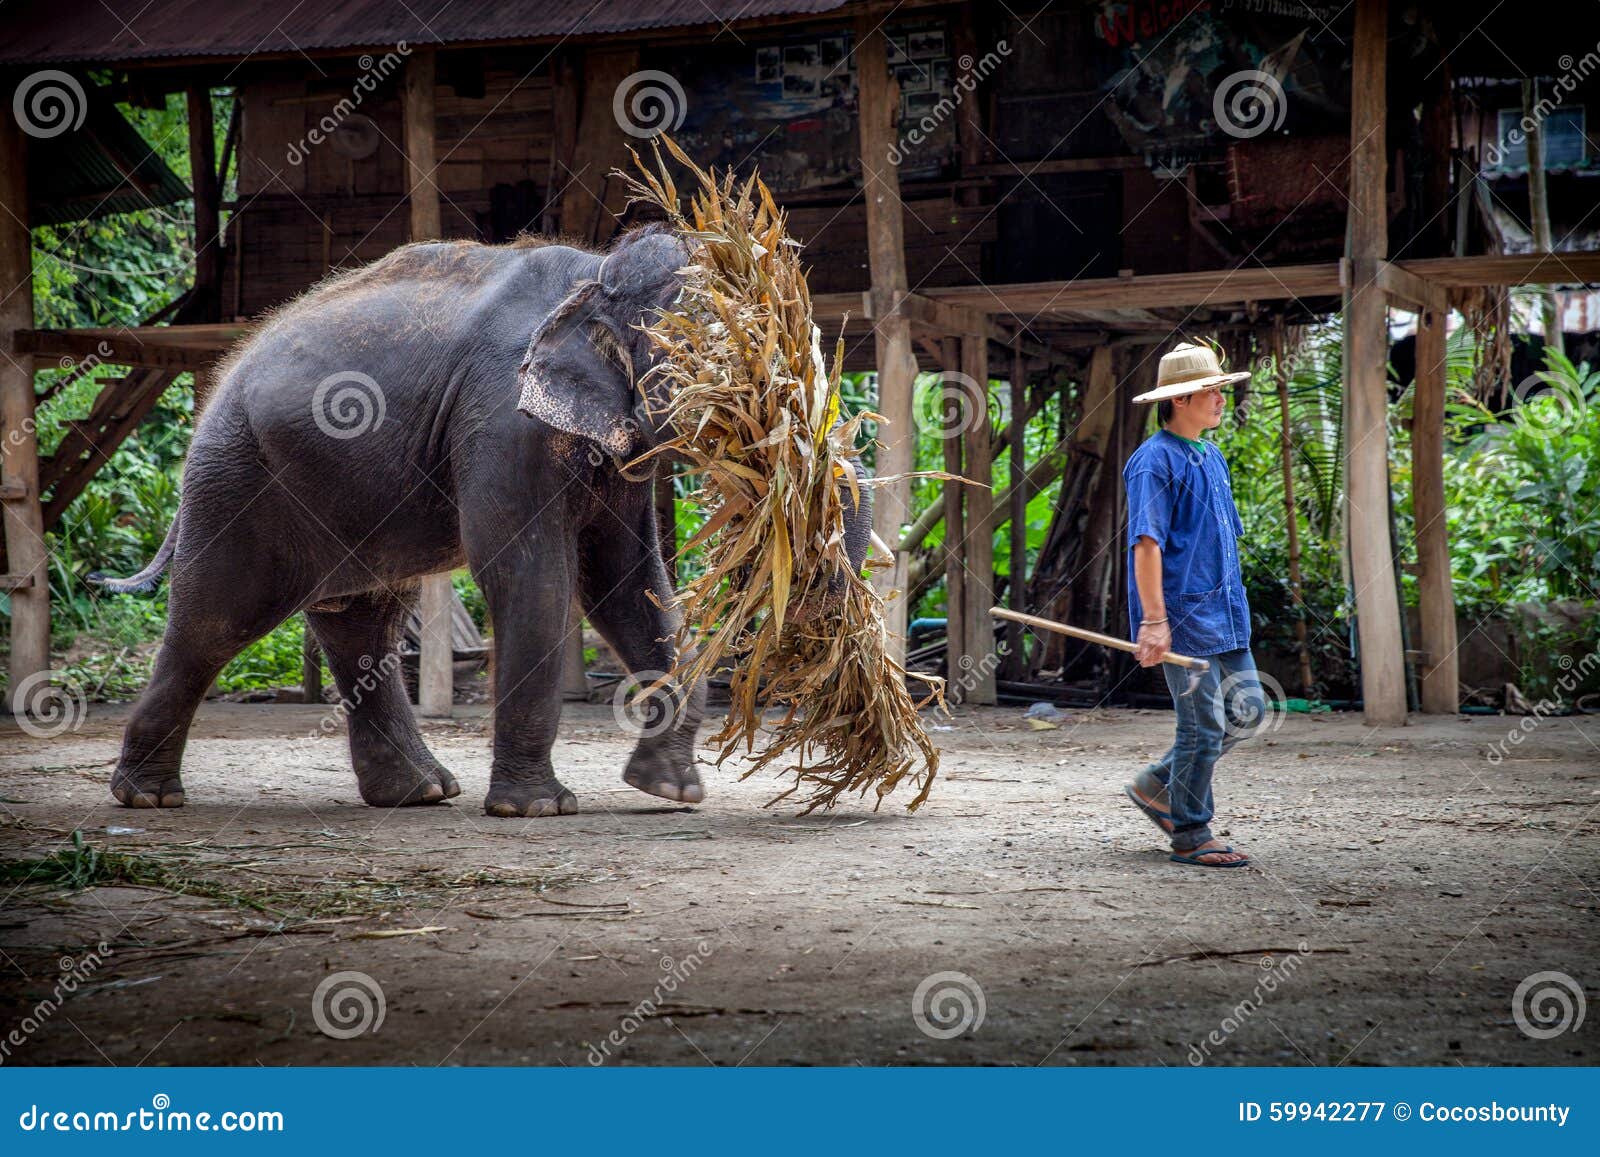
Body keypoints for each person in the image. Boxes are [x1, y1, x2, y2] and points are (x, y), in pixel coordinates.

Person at [1120, 342, 1265, 868]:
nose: (1221, 398)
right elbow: (1147, 544)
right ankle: (1190, 832)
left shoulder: (1211, 454)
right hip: (1181, 615)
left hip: (1225, 612)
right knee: (1202, 724)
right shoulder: (1153, 461)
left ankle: (1159, 784)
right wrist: (1155, 621)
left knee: (1250, 712)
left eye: (1221, 388)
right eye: (1212, 390)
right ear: (1180, 399)